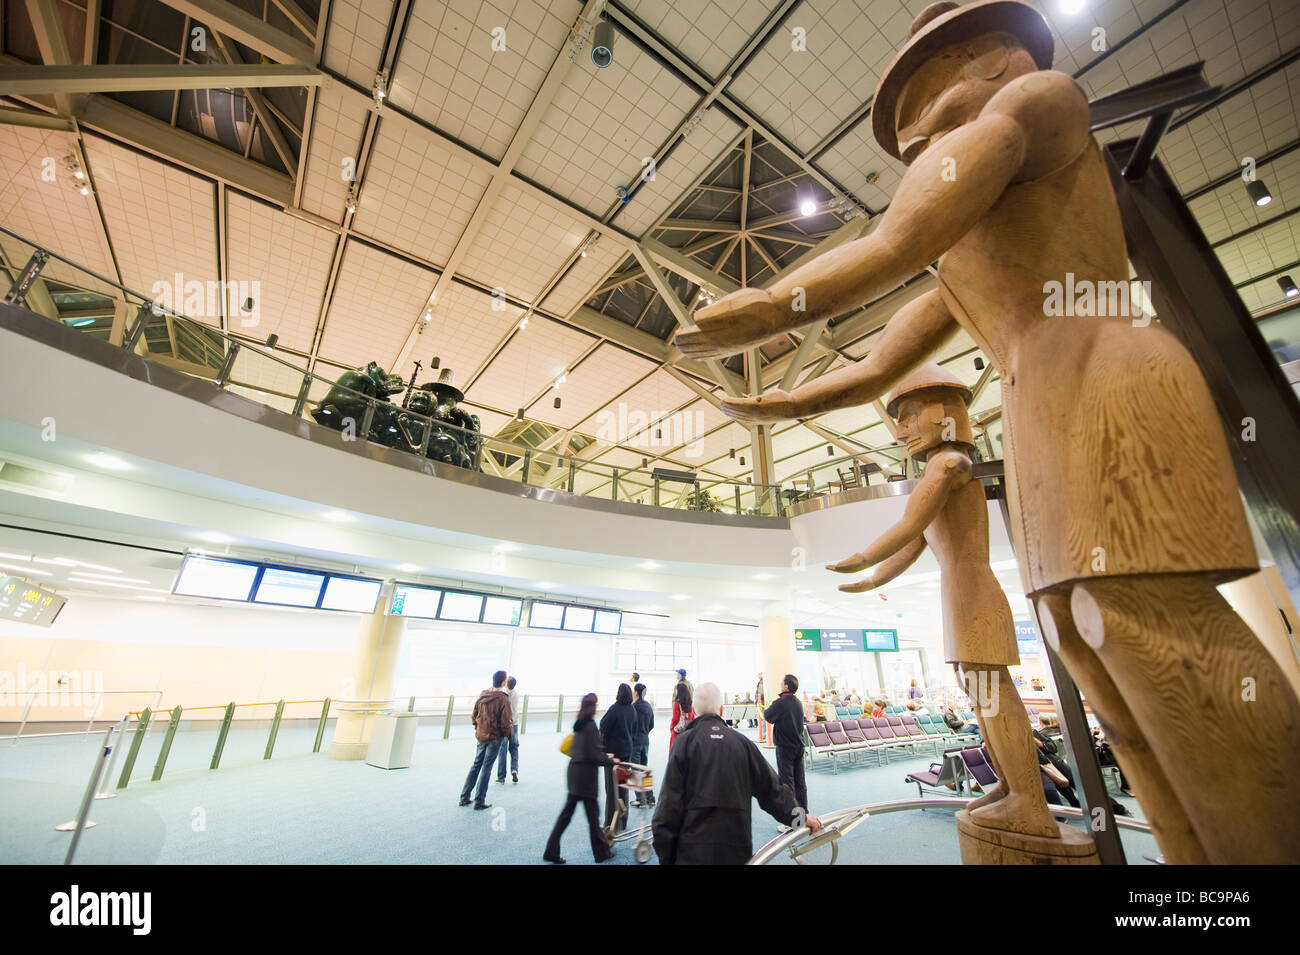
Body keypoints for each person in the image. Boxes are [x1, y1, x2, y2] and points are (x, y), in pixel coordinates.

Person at [653, 683, 822, 864]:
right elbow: (773, 792)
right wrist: (801, 818)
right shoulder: (743, 744)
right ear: (721, 709)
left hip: (692, 852)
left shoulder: (683, 744)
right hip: (736, 849)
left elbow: (667, 809)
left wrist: (668, 858)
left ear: (695, 709)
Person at [543, 693, 616, 864]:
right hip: (586, 779)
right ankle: (602, 853)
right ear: (593, 707)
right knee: (593, 818)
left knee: (565, 817)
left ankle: (551, 851)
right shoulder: (590, 726)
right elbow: (595, 755)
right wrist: (611, 760)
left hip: (574, 776)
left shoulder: (579, 724)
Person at [459, 670, 512, 810]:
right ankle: (479, 801)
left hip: (482, 735)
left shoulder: (483, 696)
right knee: (486, 767)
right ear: (503, 682)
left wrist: (478, 728)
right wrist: (509, 734)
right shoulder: (503, 699)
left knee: (476, 764)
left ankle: (464, 797)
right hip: (495, 737)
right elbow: (506, 721)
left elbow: (474, 714)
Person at [764, 673, 809, 813]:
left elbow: (768, 716)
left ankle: (791, 817)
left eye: (782, 682)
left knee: (787, 782)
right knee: (800, 782)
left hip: (785, 747)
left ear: (786, 686)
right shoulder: (798, 702)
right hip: (799, 746)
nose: (780, 684)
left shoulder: (781, 702)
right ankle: (803, 813)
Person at [599, 683, 639, 829]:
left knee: (612, 789)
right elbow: (634, 730)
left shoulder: (614, 709)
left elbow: (602, 726)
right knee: (623, 787)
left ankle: (610, 822)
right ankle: (623, 821)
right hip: (626, 753)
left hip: (613, 755)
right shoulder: (632, 709)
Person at [631, 683, 655, 807]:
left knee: (635, 771)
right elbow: (652, 725)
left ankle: (640, 799)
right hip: (645, 741)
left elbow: (630, 725)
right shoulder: (648, 706)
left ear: (636, 693)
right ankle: (650, 796)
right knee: (644, 770)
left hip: (635, 742)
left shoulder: (633, 707)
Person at [495, 675, 521, 784]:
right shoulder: (516, 695)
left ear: (506, 684)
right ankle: (514, 769)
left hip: (505, 725)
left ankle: (501, 777)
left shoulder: (503, 695)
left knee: (503, 750)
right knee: (514, 748)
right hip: (514, 724)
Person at [669, 669, 694, 751]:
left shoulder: (679, 685)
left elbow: (675, 718)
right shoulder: (690, 684)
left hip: (680, 713)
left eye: (677, 674)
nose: (676, 675)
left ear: (680, 675)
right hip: (689, 709)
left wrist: (672, 729)